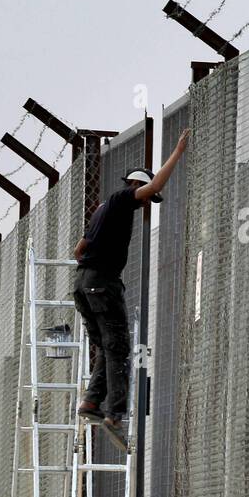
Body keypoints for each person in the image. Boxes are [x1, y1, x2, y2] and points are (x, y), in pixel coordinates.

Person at [72, 129, 189, 449]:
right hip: (102, 284)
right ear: (136, 186)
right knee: (120, 347)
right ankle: (115, 414)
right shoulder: (123, 200)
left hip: (84, 284)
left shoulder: (100, 211)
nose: (147, 202)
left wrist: (96, 266)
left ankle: (92, 403)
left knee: (107, 347)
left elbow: (78, 250)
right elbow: (157, 184)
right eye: (147, 198)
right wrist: (177, 152)